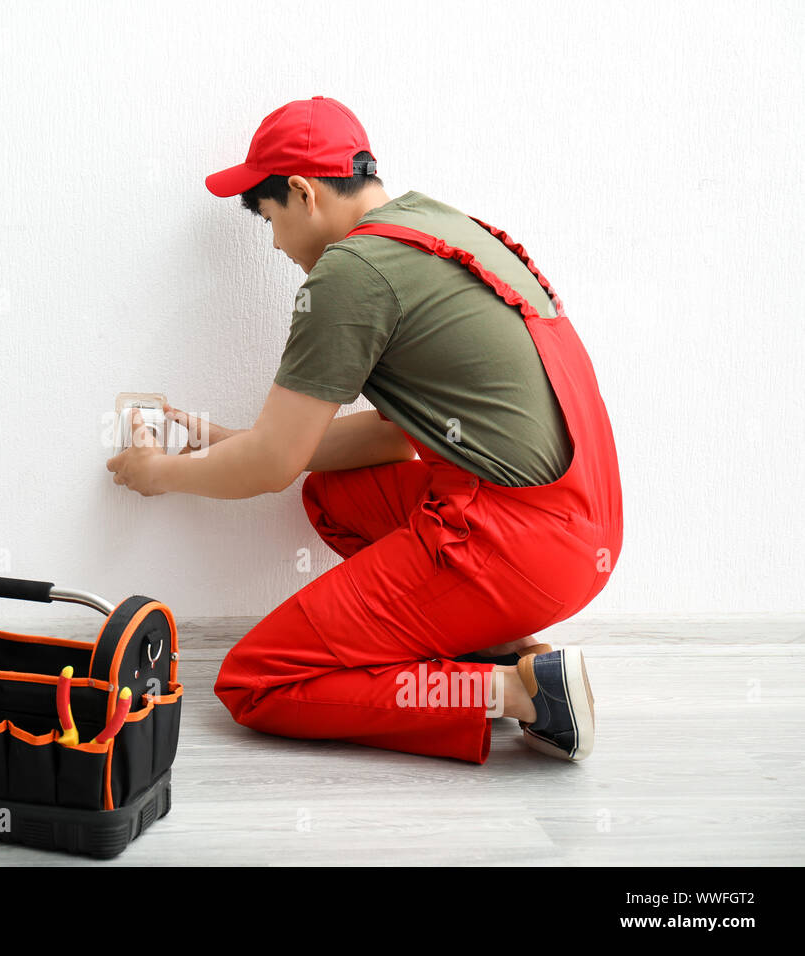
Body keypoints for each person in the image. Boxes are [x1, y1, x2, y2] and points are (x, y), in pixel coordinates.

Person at [105, 96, 622, 763]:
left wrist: (157, 474)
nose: (274, 242)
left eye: (269, 218)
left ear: (301, 191)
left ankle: (520, 694)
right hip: (583, 526)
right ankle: (498, 648)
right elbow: (387, 437)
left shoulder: (349, 272)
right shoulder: (442, 227)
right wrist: (237, 441)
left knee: (257, 682)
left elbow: (271, 466)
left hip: (515, 540)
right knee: (333, 495)